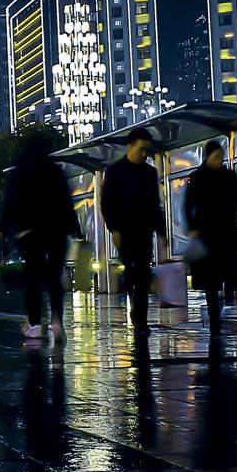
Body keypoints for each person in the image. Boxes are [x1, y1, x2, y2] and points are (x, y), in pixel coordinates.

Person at [0, 130, 79, 343]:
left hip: (30, 232)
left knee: (33, 277)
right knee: (54, 277)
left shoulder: (20, 172)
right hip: (56, 231)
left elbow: (10, 202)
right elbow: (66, 203)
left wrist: (6, 228)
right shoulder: (55, 171)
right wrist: (74, 228)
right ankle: (57, 322)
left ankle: (35, 324)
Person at [99, 127, 166, 337]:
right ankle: (135, 306)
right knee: (131, 272)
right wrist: (114, 229)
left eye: (146, 150)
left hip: (144, 231)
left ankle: (140, 318)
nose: (144, 154)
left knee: (143, 274)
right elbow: (107, 203)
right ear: (129, 146)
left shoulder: (149, 173)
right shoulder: (115, 171)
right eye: (141, 149)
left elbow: (155, 204)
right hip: (125, 232)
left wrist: (161, 231)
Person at [184, 140, 237, 335]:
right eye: (216, 156)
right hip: (207, 234)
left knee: (226, 275)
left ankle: (219, 311)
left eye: (220, 156)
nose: (219, 160)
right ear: (208, 156)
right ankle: (215, 319)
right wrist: (193, 226)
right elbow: (188, 204)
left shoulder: (227, 175)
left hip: (224, 232)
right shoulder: (199, 177)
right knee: (211, 281)